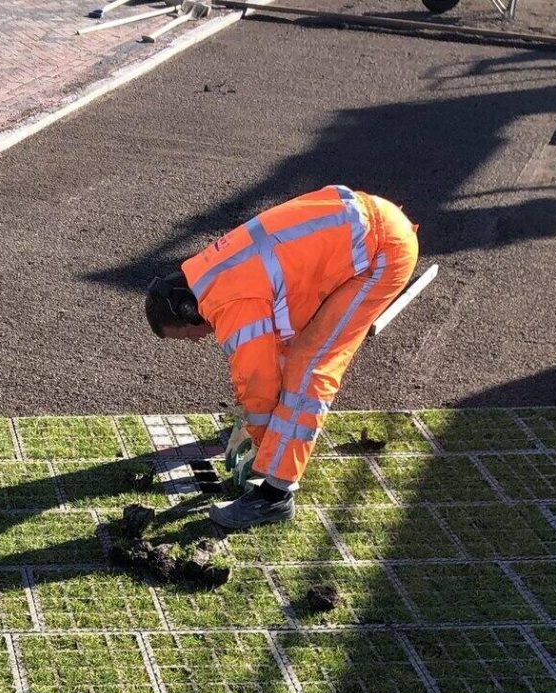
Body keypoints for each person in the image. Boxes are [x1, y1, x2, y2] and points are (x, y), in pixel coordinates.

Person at [145, 185, 419, 529]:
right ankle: (278, 473)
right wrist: (252, 427)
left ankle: (275, 497)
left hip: (381, 251)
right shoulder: (211, 272)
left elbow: (258, 381)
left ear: (187, 310)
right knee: (294, 353)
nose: (198, 339)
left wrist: (258, 437)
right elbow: (273, 348)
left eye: (187, 334)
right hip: (365, 226)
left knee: (311, 367)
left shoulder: (228, 303)